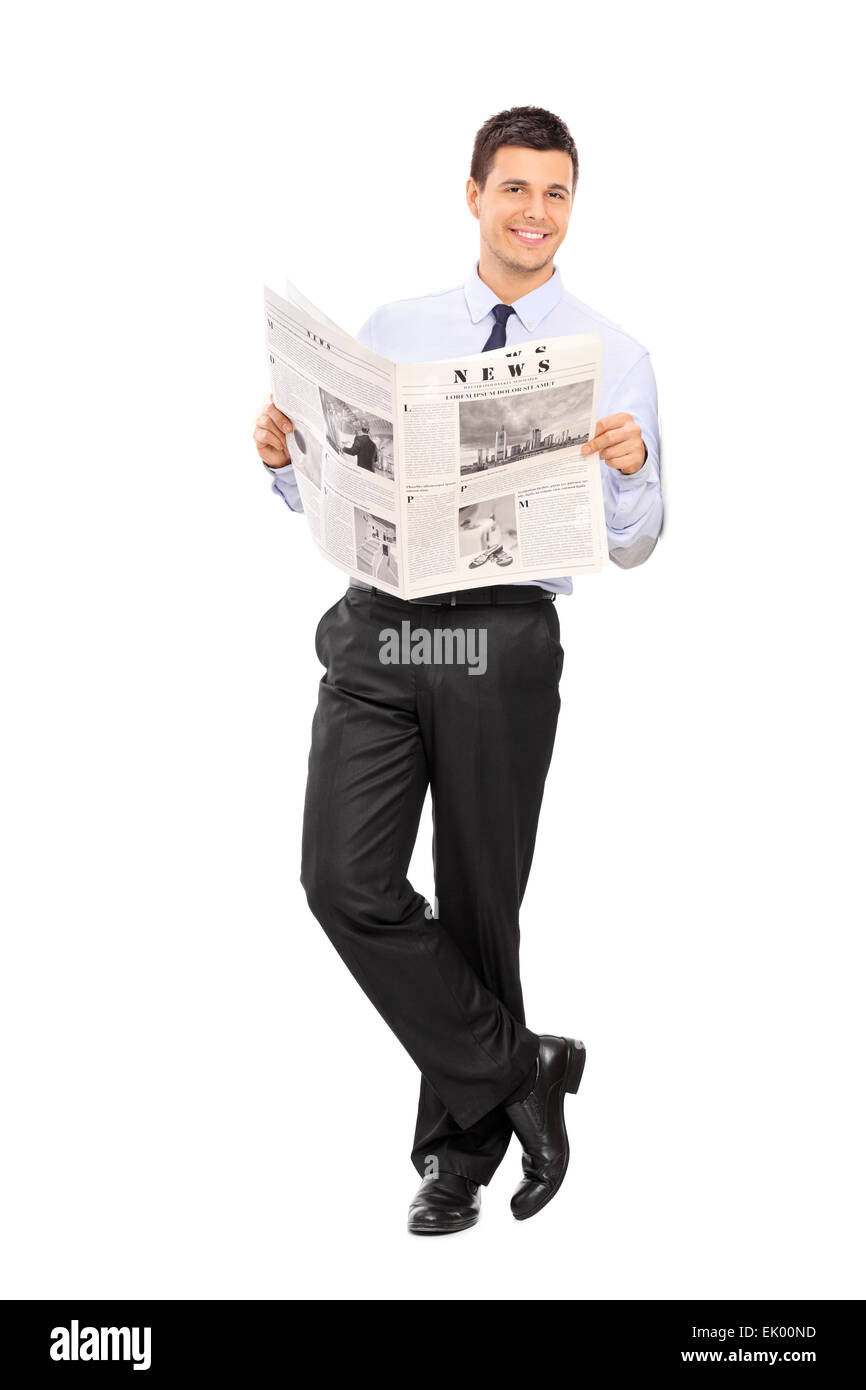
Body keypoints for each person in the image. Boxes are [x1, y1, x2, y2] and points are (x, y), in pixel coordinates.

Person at [252, 105, 663, 1235]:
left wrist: (628, 470)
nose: (534, 213)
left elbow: (634, 537)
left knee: (482, 896)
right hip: (381, 629)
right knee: (342, 879)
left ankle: (456, 1151)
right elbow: (340, 494)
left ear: (570, 206)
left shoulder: (611, 354)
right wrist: (289, 456)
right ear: (473, 193)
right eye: (514, 188)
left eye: (556, 194)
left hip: (500, 640)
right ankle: (517, 1065)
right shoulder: (395, 323)